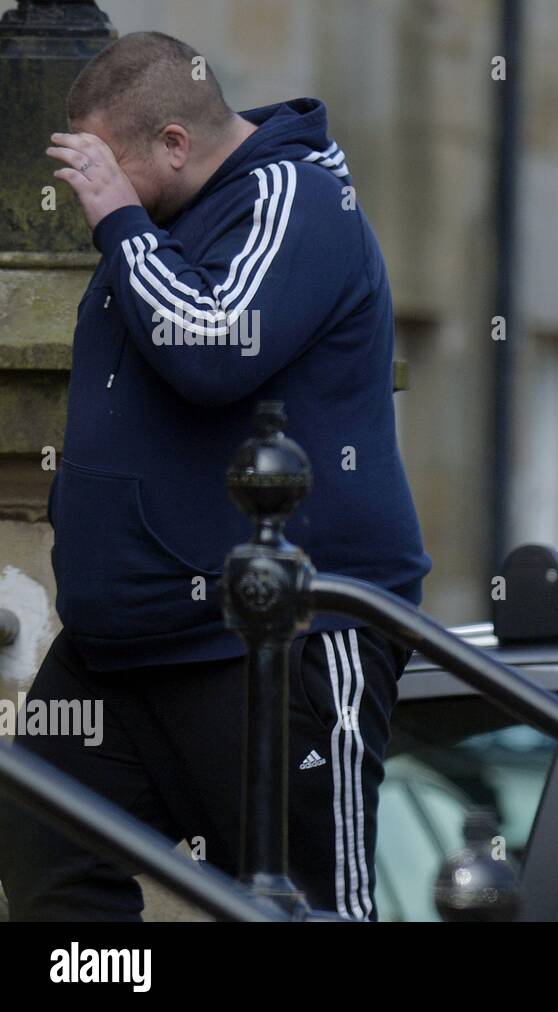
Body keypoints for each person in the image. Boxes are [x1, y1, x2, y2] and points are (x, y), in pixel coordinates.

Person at [0, 32, 430, 921]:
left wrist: (119, 220)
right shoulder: (159, 228)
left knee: (303, 906)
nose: (91, 193)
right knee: (48, 867)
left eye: (107, 166)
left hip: (267, 647)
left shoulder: (297, 196)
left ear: (172, 143)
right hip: (118, 650)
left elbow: (212, 345)